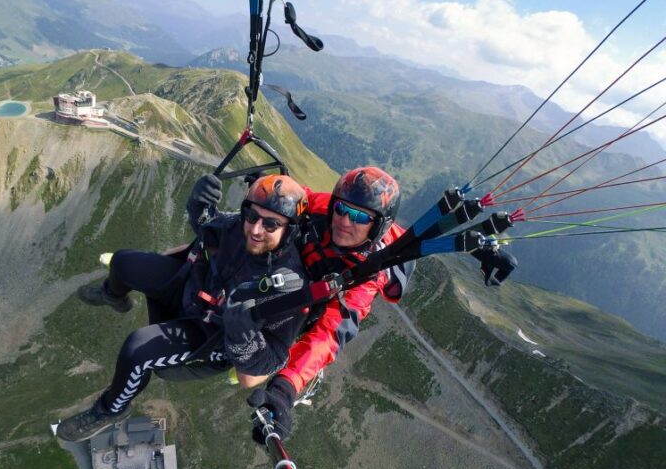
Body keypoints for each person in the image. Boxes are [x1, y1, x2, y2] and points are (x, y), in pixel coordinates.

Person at [57, 174, 310, 442]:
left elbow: (274, 357)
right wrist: (199, 208)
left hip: (211, 332)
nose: (256, 229)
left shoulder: (289, 287)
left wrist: (243, 338)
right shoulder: (238, 227)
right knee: (122, 262)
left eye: (271, 224)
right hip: (189, 287)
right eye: (252, 216)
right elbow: (208, 228)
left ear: (289, 230)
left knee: (137, 349)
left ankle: (110, 409)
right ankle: (113, 295)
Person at [243, 167, 415, 442]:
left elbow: (329, 333)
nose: (345, 220)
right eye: (342, 209)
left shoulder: (370, 276)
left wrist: (285, 387)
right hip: (290, 273)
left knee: (249, 376)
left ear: (378, 225)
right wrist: (267, 187)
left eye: (360, 217)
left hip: (309, 302)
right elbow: (301, 195)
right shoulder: (327, 209)